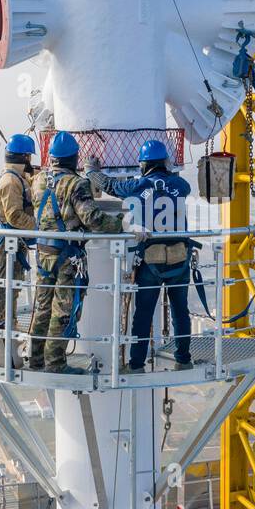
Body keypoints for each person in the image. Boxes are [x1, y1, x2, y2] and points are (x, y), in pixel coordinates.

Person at [87, 140, 193, 373]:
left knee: (143, 316)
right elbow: (182, 188)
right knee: (180, 312)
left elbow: (110, 186)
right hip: (179, 259)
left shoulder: (138, 185)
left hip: (151, 262)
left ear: (143, 165)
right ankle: (184, 358)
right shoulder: (181, 185)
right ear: (165, 163)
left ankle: (136, 364)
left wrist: (91, 171)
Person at [27, 132, 123, 374]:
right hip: (66, 257)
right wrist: (122, 223)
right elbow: (92, 218)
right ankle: (55, 364)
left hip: (43, 252)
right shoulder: (76, 184)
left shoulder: (38, 180)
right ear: (74, 158)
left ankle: (36, 359)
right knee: (62, 311)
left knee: (42, 307)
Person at [0, 134, 38, 327]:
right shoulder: (11, 182)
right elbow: (14, 216)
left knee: (12, 283)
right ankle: (3, 323)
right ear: (24, 157)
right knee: (9, 284)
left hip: (16, 240)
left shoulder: (16, 177)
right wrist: (39, 226)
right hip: (10, 242)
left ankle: (7, 321)